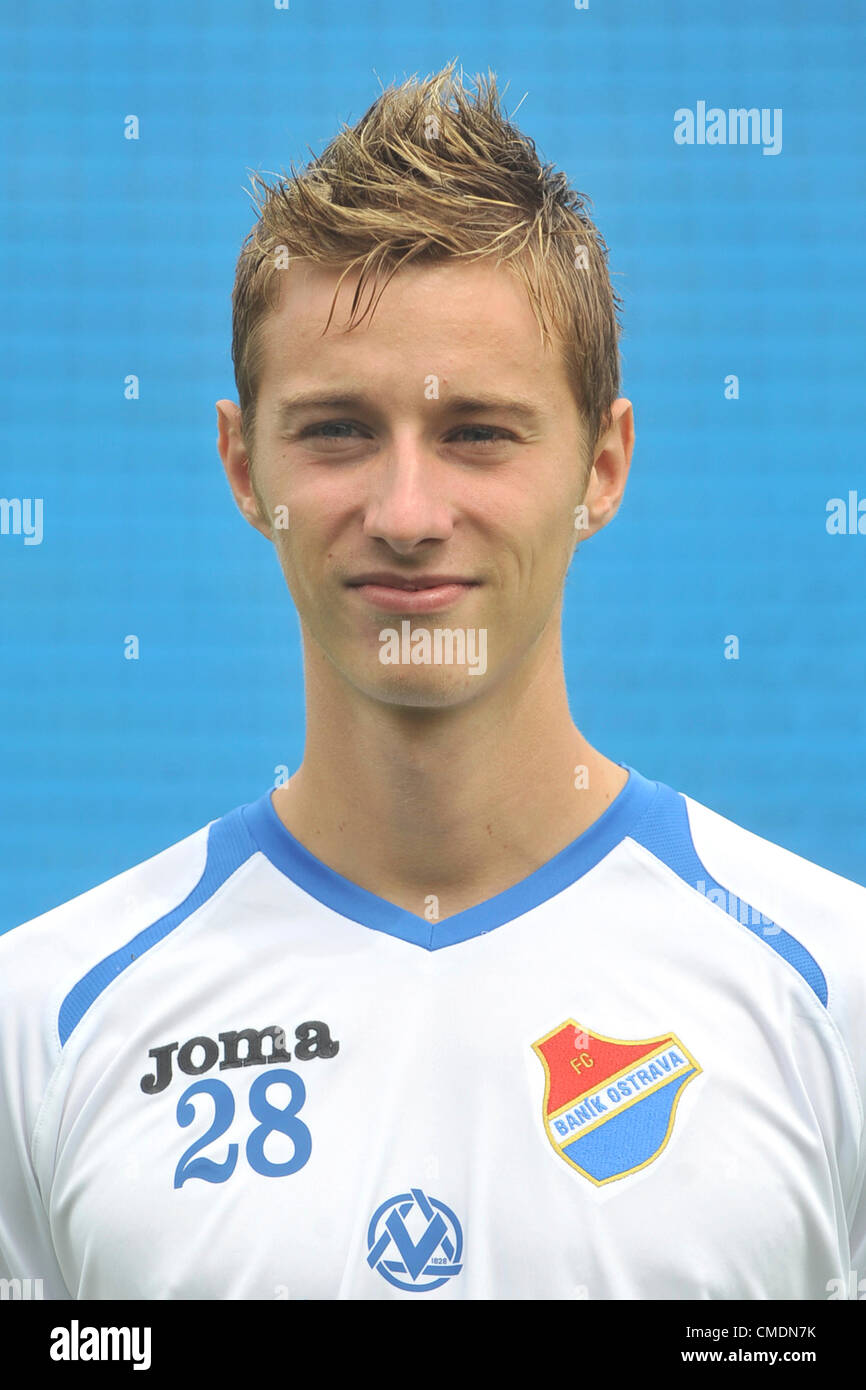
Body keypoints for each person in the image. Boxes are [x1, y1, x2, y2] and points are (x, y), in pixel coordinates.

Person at [1, 61, 864, 1302]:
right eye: (338, 430)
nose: (406, 515)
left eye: (477, 432)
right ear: (243, 466)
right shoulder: (45, 1020)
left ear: (602, 466)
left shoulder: (826, 989)